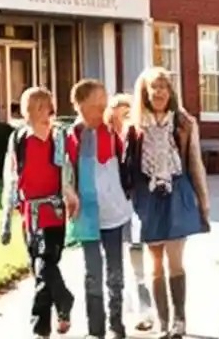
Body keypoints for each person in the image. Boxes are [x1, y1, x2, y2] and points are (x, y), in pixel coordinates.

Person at [125, 66, 210, 339]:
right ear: (145, 92)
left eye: (164, 86)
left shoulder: (184, 123)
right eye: (154, 87)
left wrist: (203, 201)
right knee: (155, 262)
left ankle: (180, 321)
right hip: (147, 197)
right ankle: (163, 322)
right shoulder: (134, 127)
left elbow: (194, 163)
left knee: (176, 260)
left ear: (171, 91)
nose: (159, 91)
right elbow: (125, 167)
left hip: (177, 192)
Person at [0, 86, 78, 338]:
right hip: (29, 216)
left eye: (49, 108)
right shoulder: (19, 141)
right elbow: (11, 179)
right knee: (40, 270)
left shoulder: (60, 140)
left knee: (45, 264)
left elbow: (67, 174)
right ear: (27, 114)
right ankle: (49, 323)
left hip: (53, 212)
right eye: (40, 109)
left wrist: (71, 195)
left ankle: (60, 305)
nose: (47, 114)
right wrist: (6, 221)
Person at [64, 80, 133, 339]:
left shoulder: (113, 129)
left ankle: (117, 324)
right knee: (93, 271)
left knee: (115, 271)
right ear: (79, 105)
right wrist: (68, 194)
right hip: (87, 216)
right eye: (95, 106)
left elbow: (131, 117)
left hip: (114, 212)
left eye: (104, 105)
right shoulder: (72, 136)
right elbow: (65, 175)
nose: (101, 111)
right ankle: (96, 329)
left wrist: (119, 117)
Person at [108, 93, 155, 335]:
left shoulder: (136, 138)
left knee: (136, 258)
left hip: (132, 206)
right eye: (119, 113)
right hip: (111, 209)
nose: (123, 118)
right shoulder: (104, 139)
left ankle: (144, 311)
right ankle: (123, 311)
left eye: (127, 112)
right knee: (116, 264)